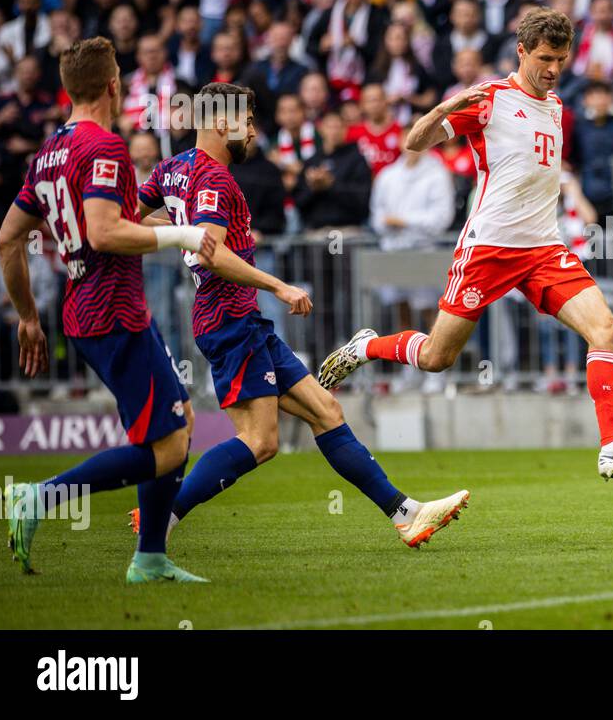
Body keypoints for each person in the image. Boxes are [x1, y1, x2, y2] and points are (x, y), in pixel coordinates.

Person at [318, 8, 613, 483]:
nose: (553, 69)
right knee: (437, 359)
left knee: (607, 331)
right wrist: (446, 107)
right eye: (545, 58)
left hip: (544, 249)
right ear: (522, 51)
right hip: (489, 247)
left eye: (562, 60)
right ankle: (368, 348)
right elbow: (414, 142)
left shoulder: (556, 106)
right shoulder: (488, 98)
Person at [130, 82, 467, 547]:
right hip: (227, 320)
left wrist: (179, 232)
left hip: (242, 321)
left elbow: (132, 214)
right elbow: (211, 252)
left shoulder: (173, 169)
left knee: (325, 410)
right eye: (247, 122)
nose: (252, 133)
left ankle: (405, 513)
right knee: (261, 441)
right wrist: (277, 284)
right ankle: (163, 516)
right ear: (222, 122)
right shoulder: (213, 177)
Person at [0, 37, 216, 582]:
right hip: (111, 308)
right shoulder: (106, 147)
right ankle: (42, 496)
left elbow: (8, 239)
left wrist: (27, 315)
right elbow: (104, 231)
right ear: (113, 84)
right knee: (168, 447)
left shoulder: (48, 153)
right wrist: (185, 233)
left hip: (88, 304)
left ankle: (150, 558)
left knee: (178, 422)